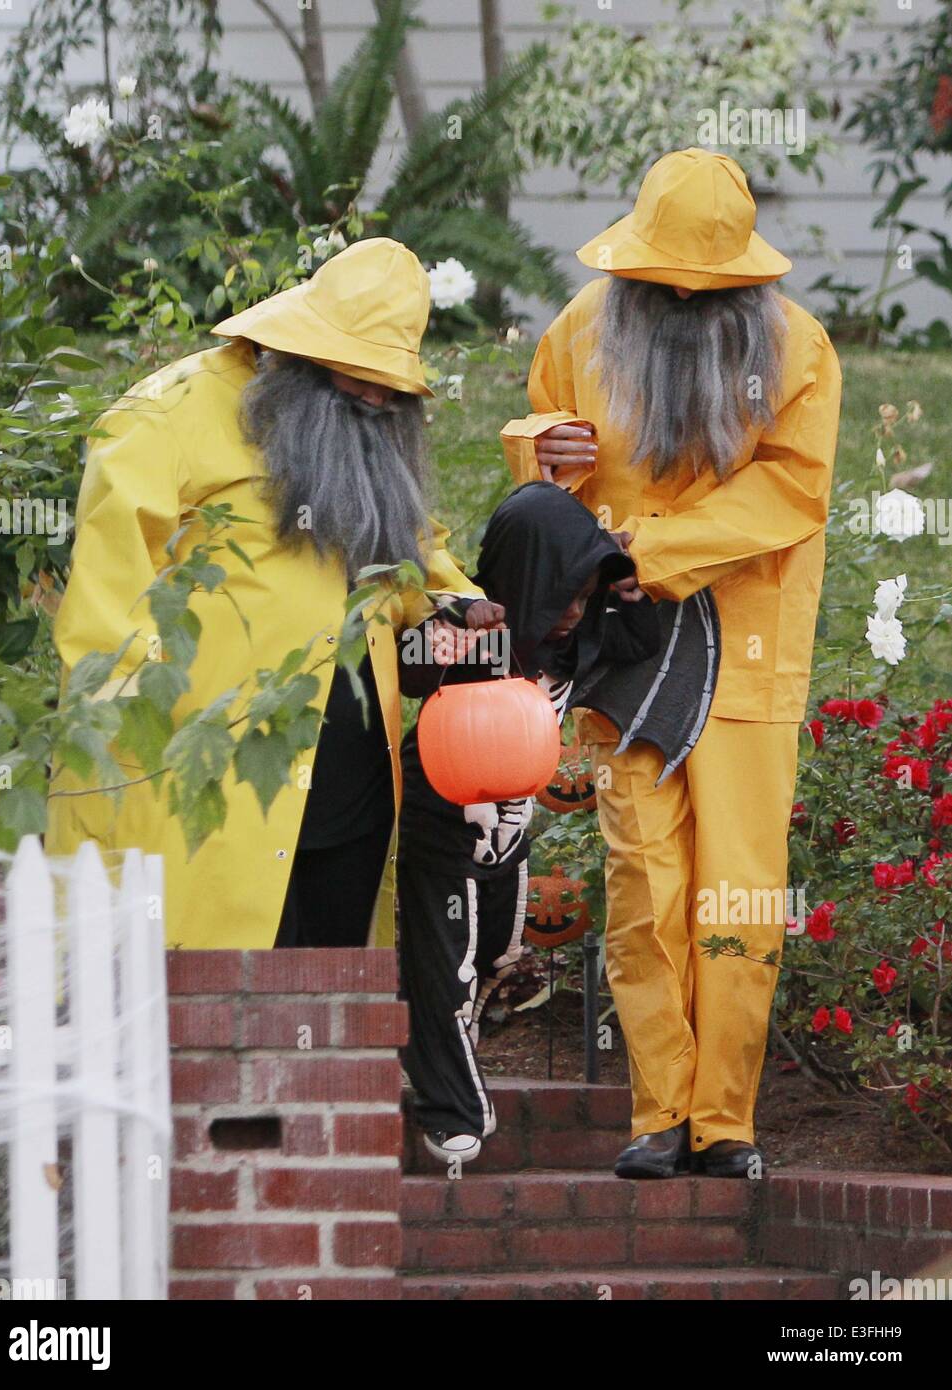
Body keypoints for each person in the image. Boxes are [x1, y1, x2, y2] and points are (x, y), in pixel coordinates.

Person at [501, 148, 843, 1178]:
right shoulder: (578, 332)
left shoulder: (801, 351)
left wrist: (650, 551)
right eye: (663, 290)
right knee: (646, 881)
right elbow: (540, 455)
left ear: (748, 285)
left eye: (707, 294)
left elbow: (794, 488)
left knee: (739, 890)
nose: (683, 308)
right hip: (622, 649)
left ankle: (725, 1120)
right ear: (631, 275)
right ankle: (659, 1112)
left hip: (746, 651)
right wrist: (540, 452)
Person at [46, 238, 501, 950]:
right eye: (360, 379)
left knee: (328, 1017)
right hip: (208, 785)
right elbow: (109, 616)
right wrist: (116, 773)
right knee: (211, 1012)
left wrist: (451, 598)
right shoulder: (166, 417)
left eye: (390, 384)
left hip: (352, 789)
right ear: (298, 354)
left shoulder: (364, 415)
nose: (378, 398)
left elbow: (408, 541)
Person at [397, 482, 659, 1164]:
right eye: (565, 593)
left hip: (510, 827)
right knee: (443, 964)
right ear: (531, 578)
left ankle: (438, 1044)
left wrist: (623, 583)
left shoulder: (571, 640)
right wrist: (454, 624)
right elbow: (406, 668)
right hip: (442, 813)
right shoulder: (479, 621)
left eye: (586, 595)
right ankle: (449, 1105)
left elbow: (636, 639)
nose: (575, 612)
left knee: (493, 956)